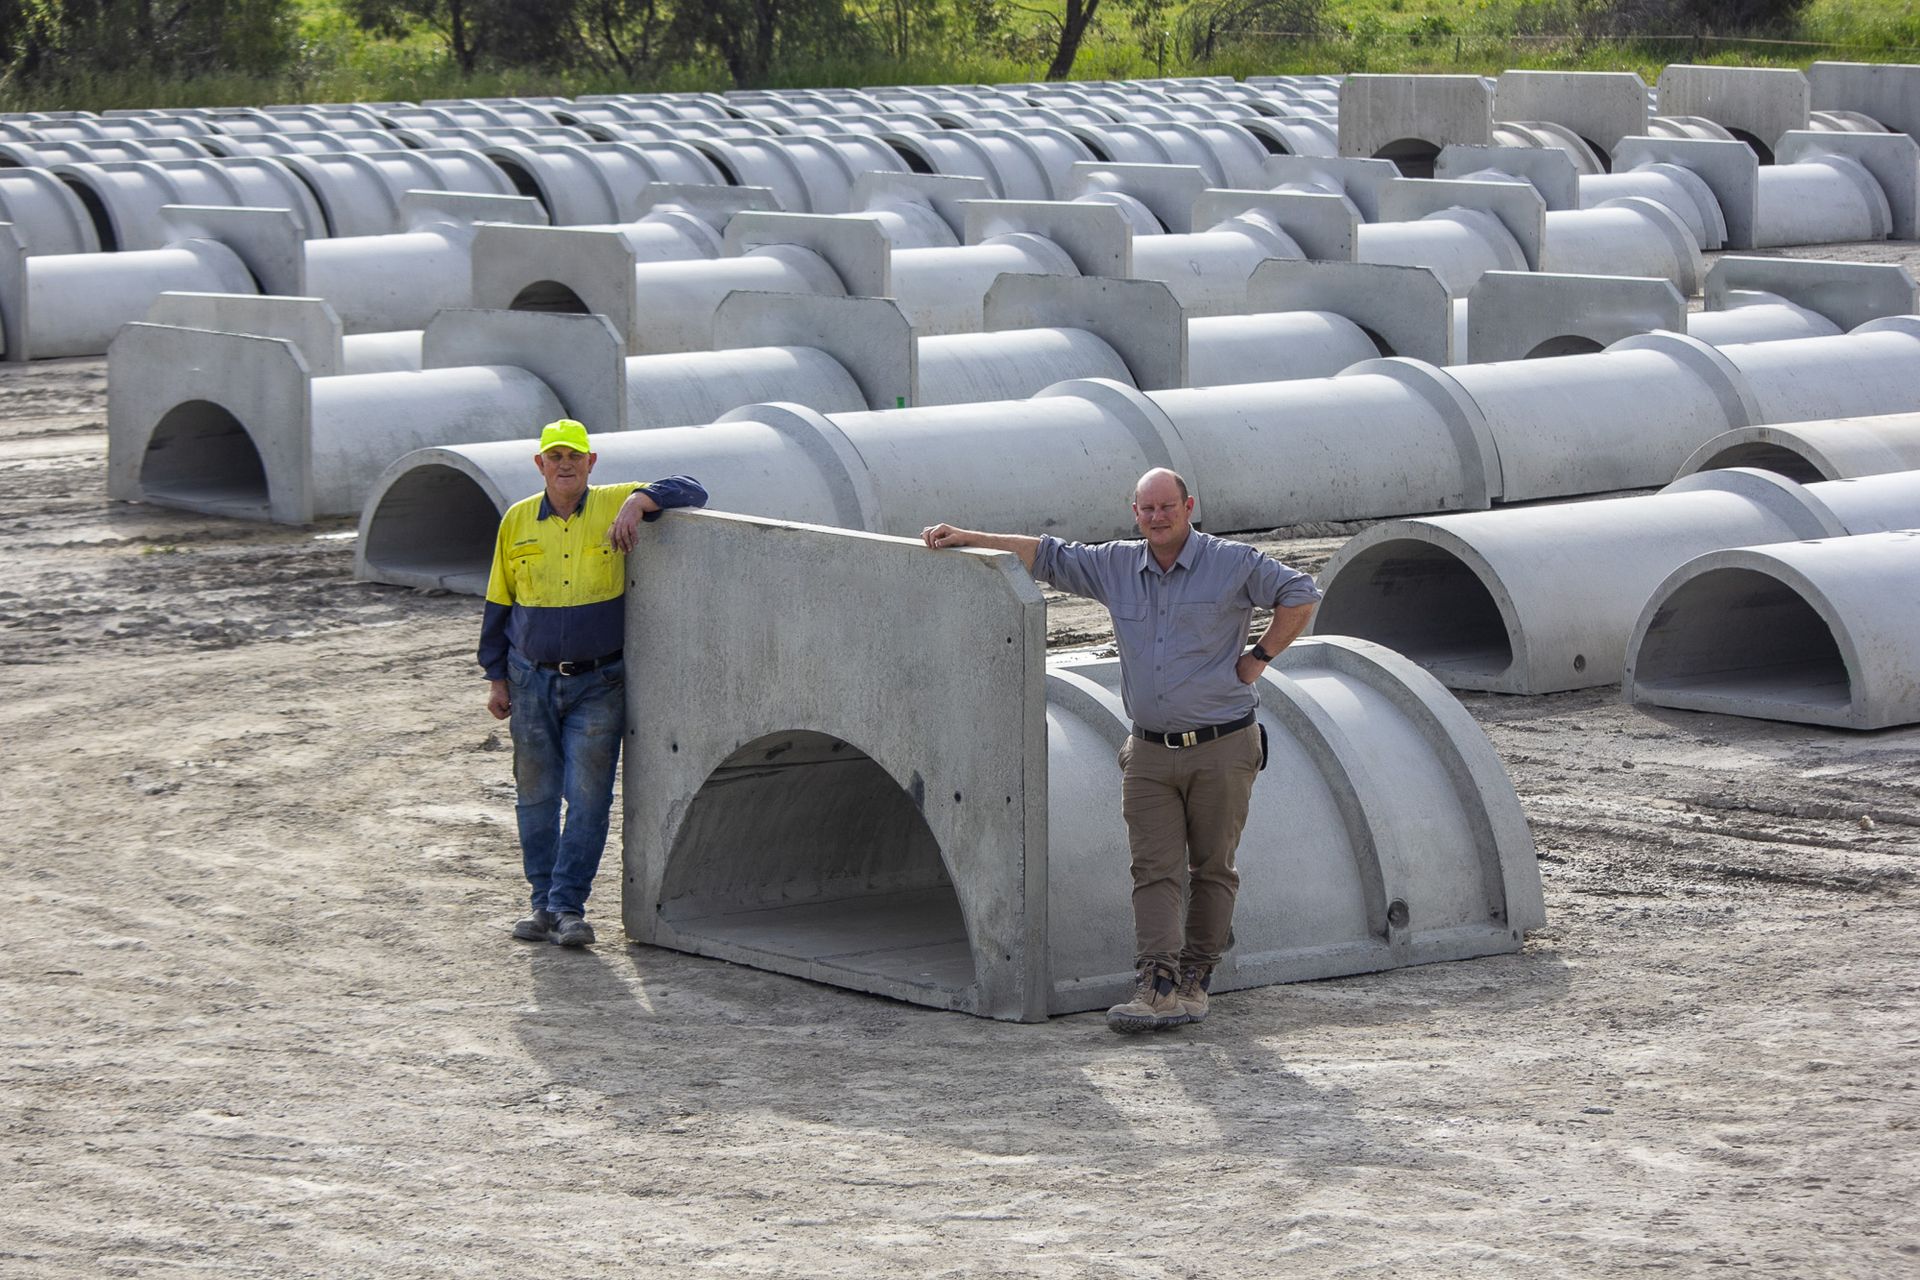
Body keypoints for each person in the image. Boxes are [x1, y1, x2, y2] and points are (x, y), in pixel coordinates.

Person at [922, 468, 1320, 1033]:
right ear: (1135, 512)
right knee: (1153, 870)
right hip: (1150, 751)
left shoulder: (1230, 563)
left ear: (1189, 506)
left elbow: (1301, 594)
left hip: (1223, 745)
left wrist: (1259, 656)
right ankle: (1155, 985)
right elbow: (1047, 555)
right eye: (1146, 509)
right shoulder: (1116, 566)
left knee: (1211, 868)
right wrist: (968, 536)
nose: (1157, 518)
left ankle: (1195, 979)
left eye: (1167, 507)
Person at [479, 419, 707, 948]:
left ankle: (567, 906)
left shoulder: (612, 502)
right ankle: (541, 904)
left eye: (574, 457)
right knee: (535, 795)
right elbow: (499, 600)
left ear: (591, 462)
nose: (564, 464)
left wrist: (639, 503)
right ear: (540, 464)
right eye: (554, 456)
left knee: (589, 797)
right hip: (529, 679)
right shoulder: (516, 521)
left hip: (598, 682)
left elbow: (692, 488)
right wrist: (495, 677)